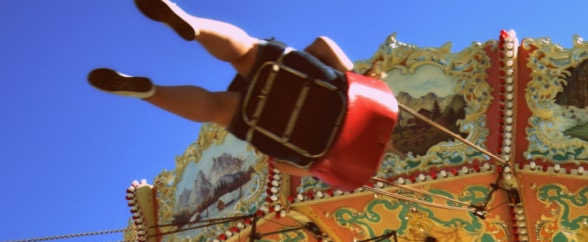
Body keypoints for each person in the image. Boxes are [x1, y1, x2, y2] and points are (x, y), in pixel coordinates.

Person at [88, 0, 392, 185]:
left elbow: (323, 43)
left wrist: (346, 70)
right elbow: (281, 165)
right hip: (288, 136)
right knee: (216, 108)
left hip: (315, 88)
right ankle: (151, 93)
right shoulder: (341, 168)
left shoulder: (376, 98)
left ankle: (194, 25)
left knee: (246, 52)